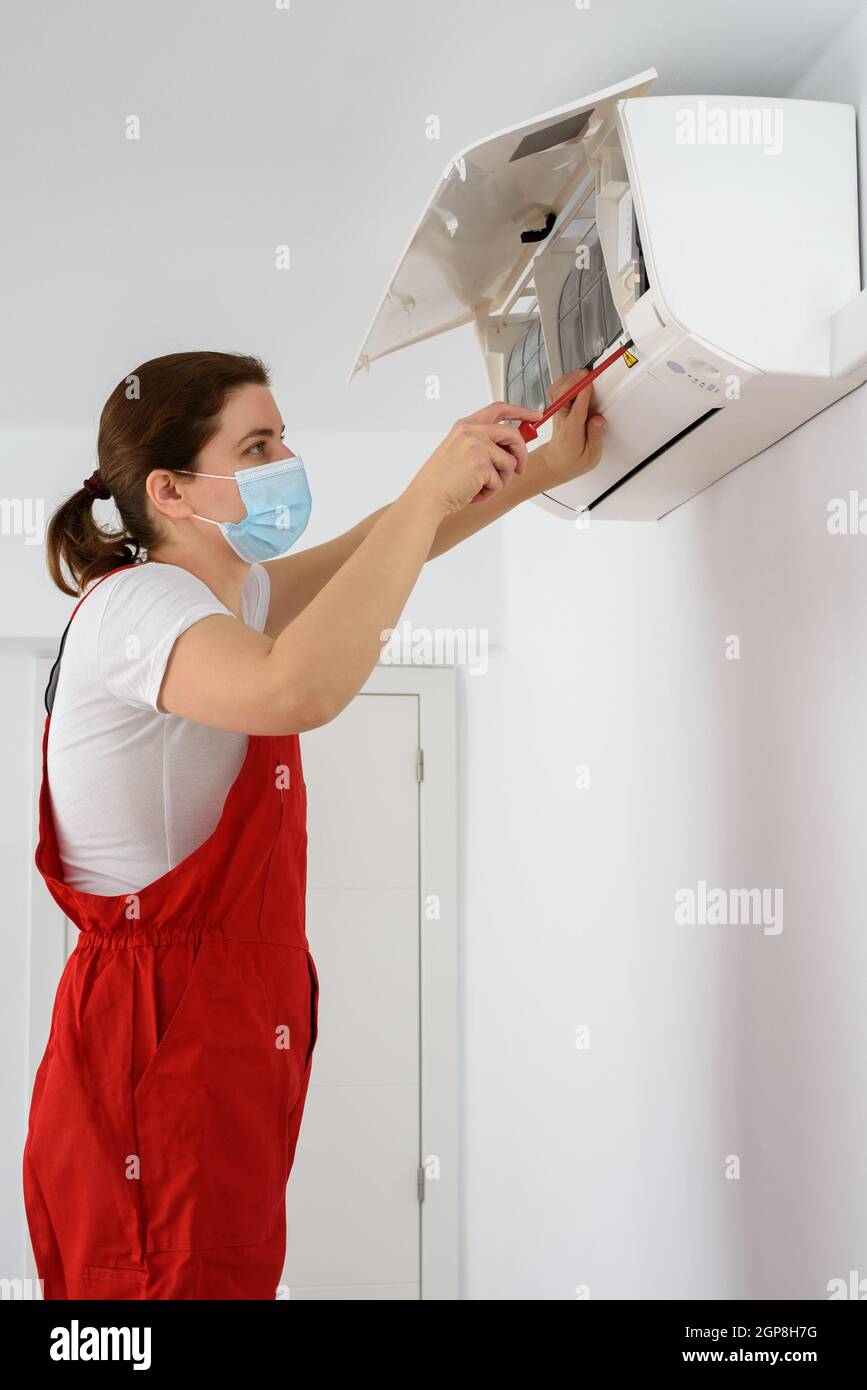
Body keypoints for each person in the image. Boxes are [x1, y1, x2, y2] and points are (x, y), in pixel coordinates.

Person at [22, 349, 606, 1300]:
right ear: (169, 489)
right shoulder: (141, 606)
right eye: (257, 444)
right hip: (155, 1045)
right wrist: (426, 492)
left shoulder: (222, 597)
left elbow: (373, 553)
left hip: (209, 1032)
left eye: (282, 436)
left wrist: (537, 470)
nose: (288, 458)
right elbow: (298, 689)